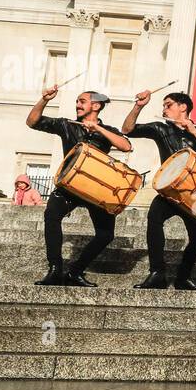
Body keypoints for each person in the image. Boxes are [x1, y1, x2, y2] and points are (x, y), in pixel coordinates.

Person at [26, 86, 133, 286]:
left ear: (96, 105)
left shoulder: (108, 130)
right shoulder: (67, 125)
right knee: (51, 215)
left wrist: (98, 129)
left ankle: (75, 272)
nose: (77, 104)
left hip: (96, 188)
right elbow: (32, 122)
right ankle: (55, 269)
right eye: (77, 101)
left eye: (82, 101)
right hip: (69, 184)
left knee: (105, 234)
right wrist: (44, 100)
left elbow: (126, 146)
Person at [123, 89, 196, 290]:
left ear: (183, 107)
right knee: (154, 219)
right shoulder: (161, 128)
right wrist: (138, 106)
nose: (164, 109)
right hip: (170, 190)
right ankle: (157, 273)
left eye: (168, 105)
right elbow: (127, 130)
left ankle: (183, 277)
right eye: (163, 106)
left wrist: (193, 130)